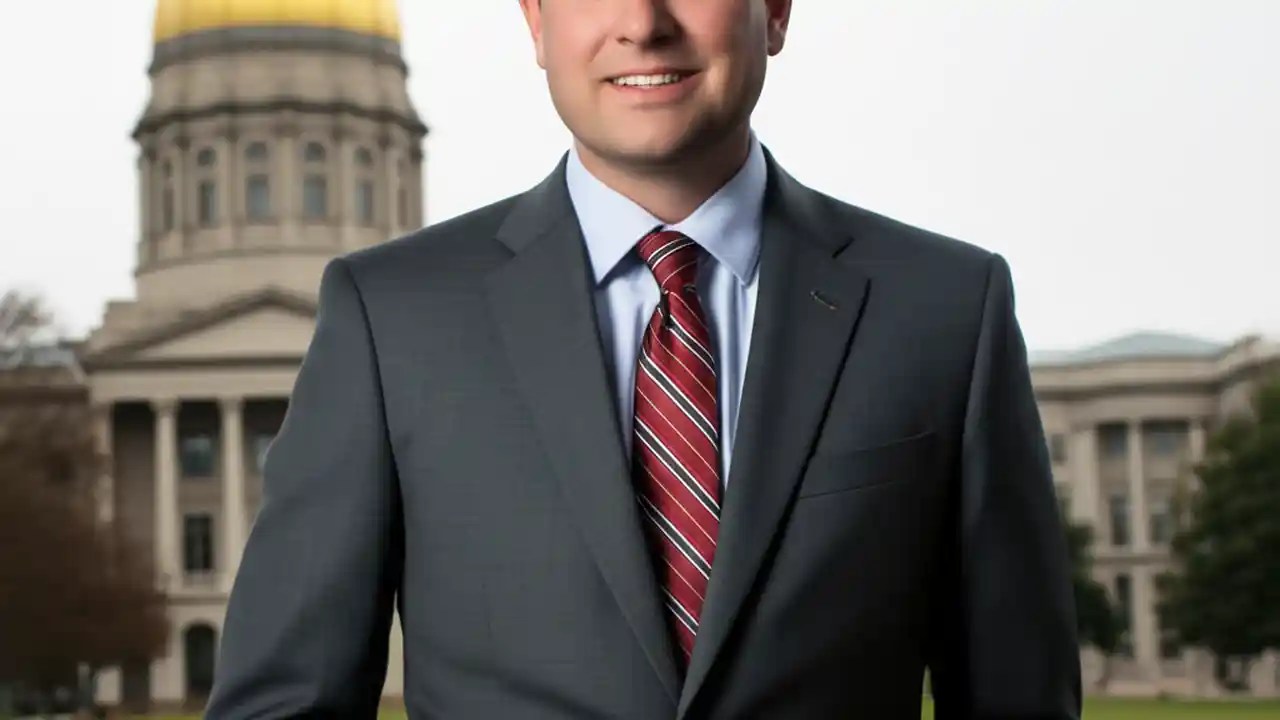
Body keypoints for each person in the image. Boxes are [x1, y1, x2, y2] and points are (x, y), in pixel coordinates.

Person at [205, 1, 1083, 717]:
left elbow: (1016, 698)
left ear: (775, 11)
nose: (643, 22)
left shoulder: (945, 309)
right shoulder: (390, 318)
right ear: (536, 21)